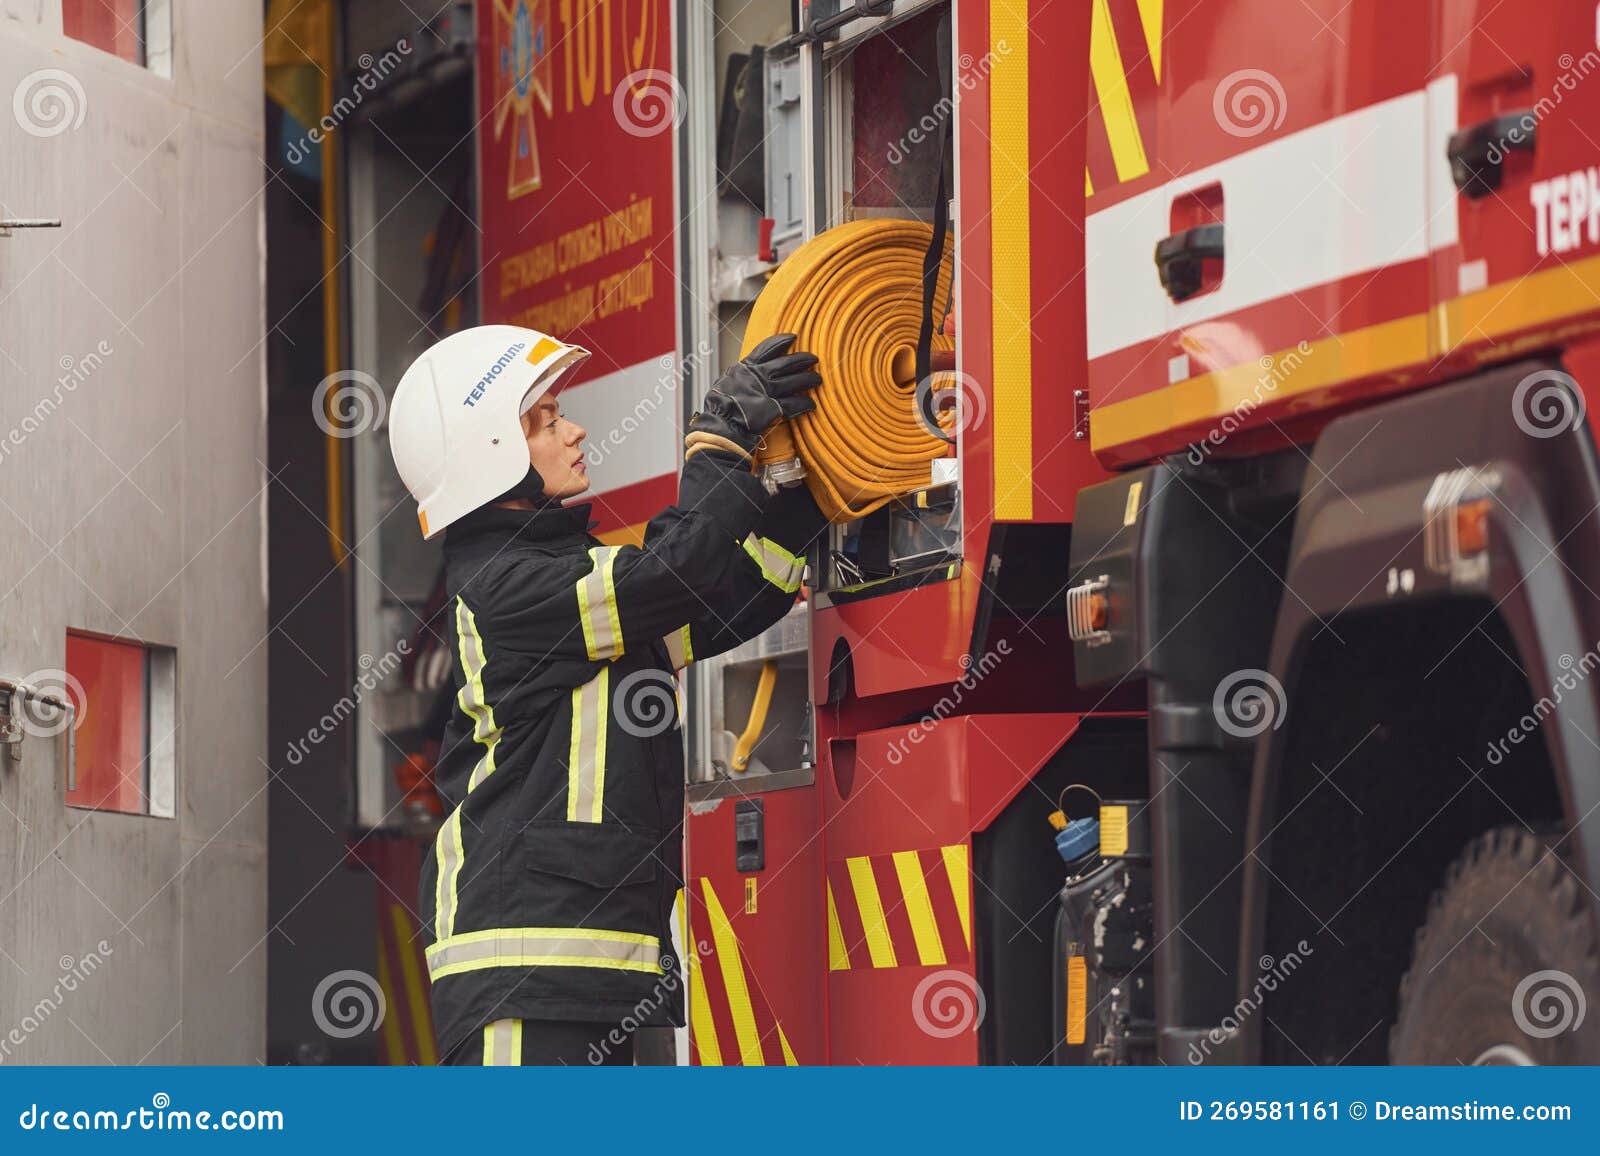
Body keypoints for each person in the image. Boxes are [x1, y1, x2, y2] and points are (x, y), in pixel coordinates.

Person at [387, 324, 825, 1065]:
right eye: (546, 420)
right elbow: (674, 575)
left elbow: (723, 600)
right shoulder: (505, 589)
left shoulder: (569, 585)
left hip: (597, 966)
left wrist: (799, 494)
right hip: (521, 967)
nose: (574, 430)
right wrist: (717, 438)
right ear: (490, 451)